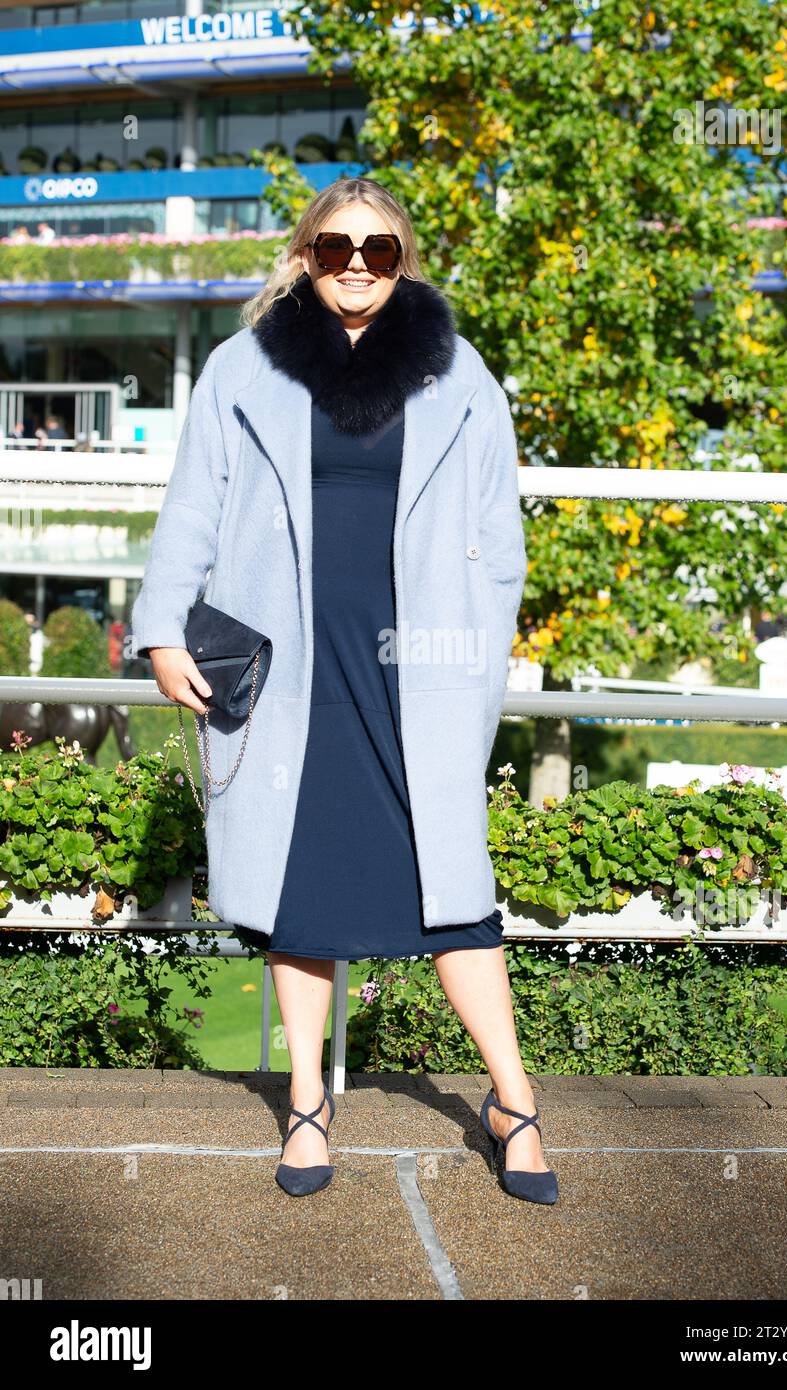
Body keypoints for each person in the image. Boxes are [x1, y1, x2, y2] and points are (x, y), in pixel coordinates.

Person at [128, 178, 557, 1205]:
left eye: (377, 249)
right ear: (304, 256)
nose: (355, 265)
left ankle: (514, 1104)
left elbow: (499, 534)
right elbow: (193, 507)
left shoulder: (458, 372)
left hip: (420, 666)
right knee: (301, 887)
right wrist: (160, 628)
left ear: (402, 260)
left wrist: (479, 653)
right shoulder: (242, 367)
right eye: (334, 248)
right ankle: (308, 1104)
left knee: (452, 889)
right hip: (289, 664)